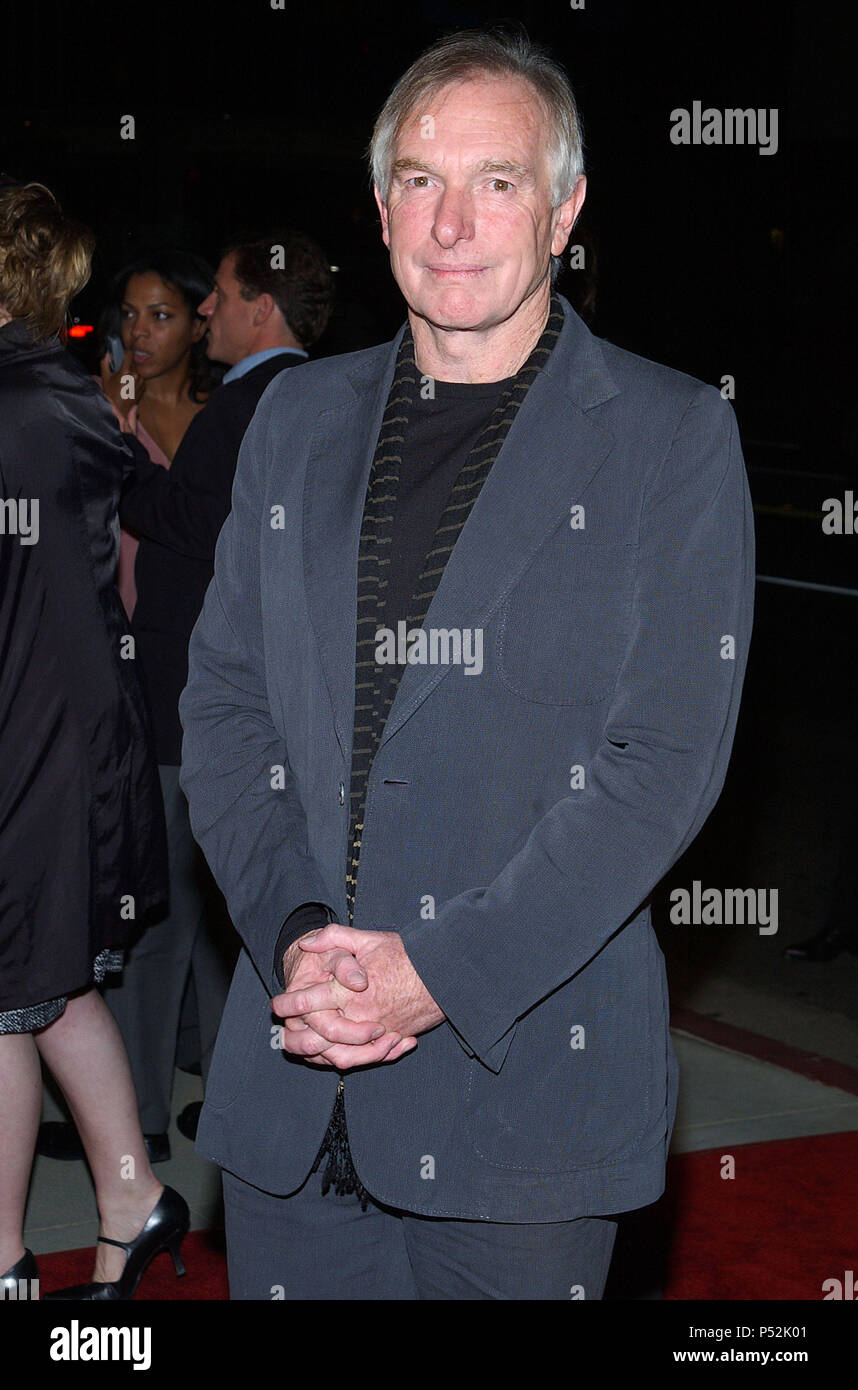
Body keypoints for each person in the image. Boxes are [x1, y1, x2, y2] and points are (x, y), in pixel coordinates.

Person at [179, 28, 755, 1301]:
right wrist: (298, 935)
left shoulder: (670, 437)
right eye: (421, 180)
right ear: (382, 206)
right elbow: (224, 707)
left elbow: (660, 767)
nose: (452, 223)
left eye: (497, 181)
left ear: (565, 210)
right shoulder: (295, 420)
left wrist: (431, 978)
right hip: (293, 1079)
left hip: (525, 1108)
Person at [84, 231, 335, 1156]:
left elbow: (188, 521)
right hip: (271, 697)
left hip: (196, 690)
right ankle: (229, 1099)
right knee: (238, 904)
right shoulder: (330, 393)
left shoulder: (243, 404)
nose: (203, 313)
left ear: (260, 308)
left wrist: (119, 457)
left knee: (159, 909)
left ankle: (139, 1124)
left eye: (215, 298)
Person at [0, 179, 188, 1300]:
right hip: (54, 732)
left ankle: (5, 1259)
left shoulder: (25, 403)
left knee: (14, 993)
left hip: (35, 742)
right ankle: (133, 1198)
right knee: (48, 988)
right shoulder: (50, 395)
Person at [36, 249, 224, 1166]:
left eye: (162, 315)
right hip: (113, 677)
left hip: (205, 678)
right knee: (135, 895)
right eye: (130, 315)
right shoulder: (88, 408)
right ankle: (129, 1109)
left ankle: (202, 1086)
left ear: (198, 322)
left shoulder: (224, 418)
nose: (140, 333)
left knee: (208, 894)